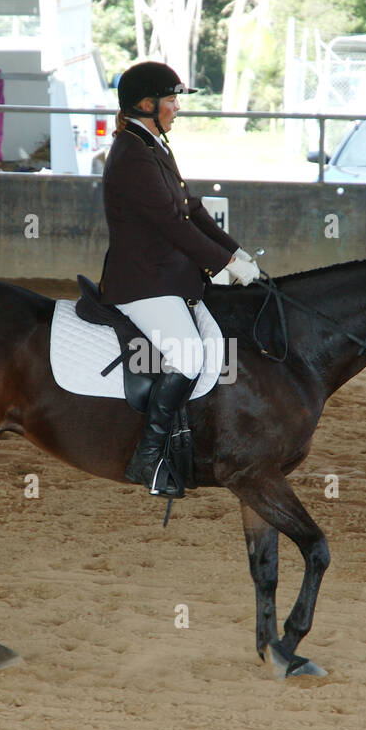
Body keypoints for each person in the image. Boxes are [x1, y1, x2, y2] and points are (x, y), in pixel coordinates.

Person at [99, 60, 261, 498]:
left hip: (167, 276)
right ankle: (147, 459)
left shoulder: (153, 144)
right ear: (147, 104)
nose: (176, 107)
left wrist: (235, 251)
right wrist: (224, 266)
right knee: (189, 356)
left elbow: (191, 209)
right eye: (170, 100)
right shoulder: (132, 154)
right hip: (142, 283)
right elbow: (173, 227)